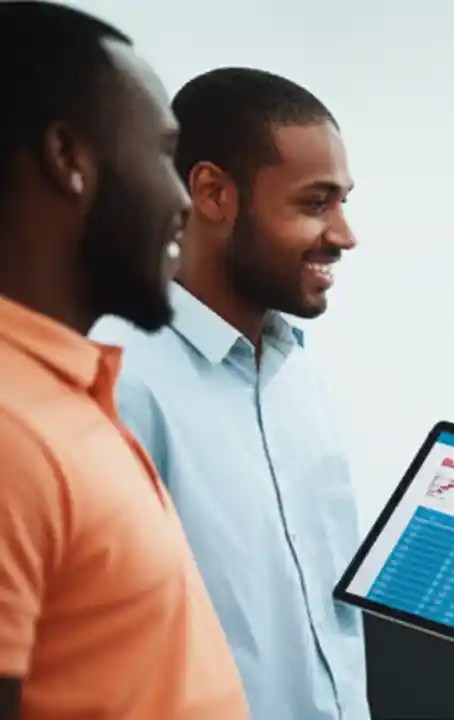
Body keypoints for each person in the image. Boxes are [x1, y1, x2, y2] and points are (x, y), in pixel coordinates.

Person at [90, 68, 365, 719]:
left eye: (344, 201)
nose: (345, 233)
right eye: (315, 203)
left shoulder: (298, 369)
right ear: (213, 193)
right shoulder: (120, 381)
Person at [0, 4, 249, 720]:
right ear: (69, 159)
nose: (183, 200)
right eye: (161, 156)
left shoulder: (65, 395)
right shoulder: (11, 430)